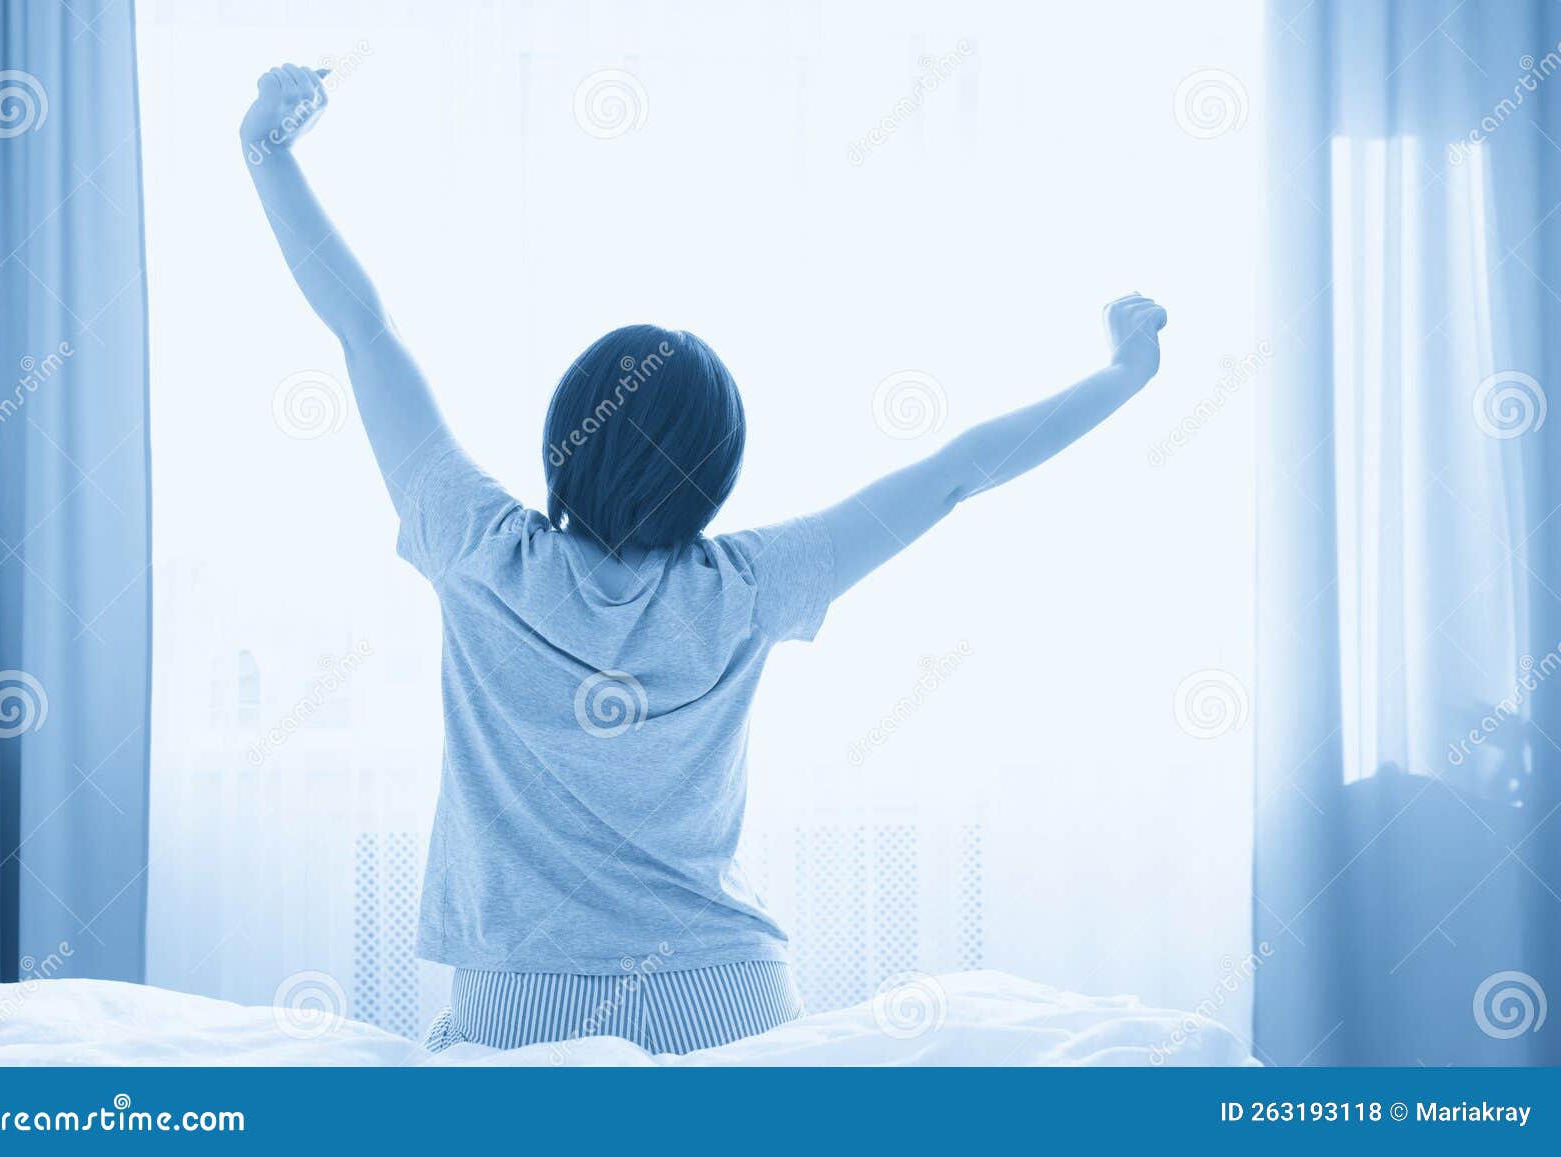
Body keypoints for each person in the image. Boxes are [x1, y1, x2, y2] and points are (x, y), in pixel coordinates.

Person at [240, 63, 1167, 1055]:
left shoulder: (475, 544)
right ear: (715, 469)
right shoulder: (753, 584)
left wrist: (267, 149)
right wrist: (1124, 373)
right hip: (728, 992)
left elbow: (362, 325)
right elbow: (956, 473)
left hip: (523, 992)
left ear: (567, 433)